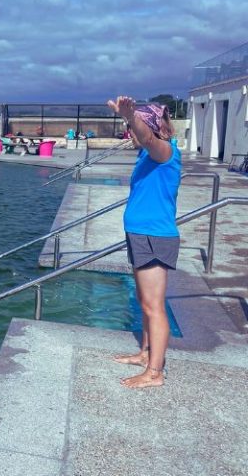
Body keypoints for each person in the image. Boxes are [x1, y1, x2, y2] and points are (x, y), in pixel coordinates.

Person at [107, 96, 180, 389]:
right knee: (144, 302)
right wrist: (129, 119)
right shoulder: (146, 156)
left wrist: (130, 117)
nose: (130, 135)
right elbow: (143, 139)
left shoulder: (164, 152)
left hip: (154, 236)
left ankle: (155, 373)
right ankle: (145, 354)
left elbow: (148, 139)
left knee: (154, 307)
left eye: (133, 129)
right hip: (142, 234)